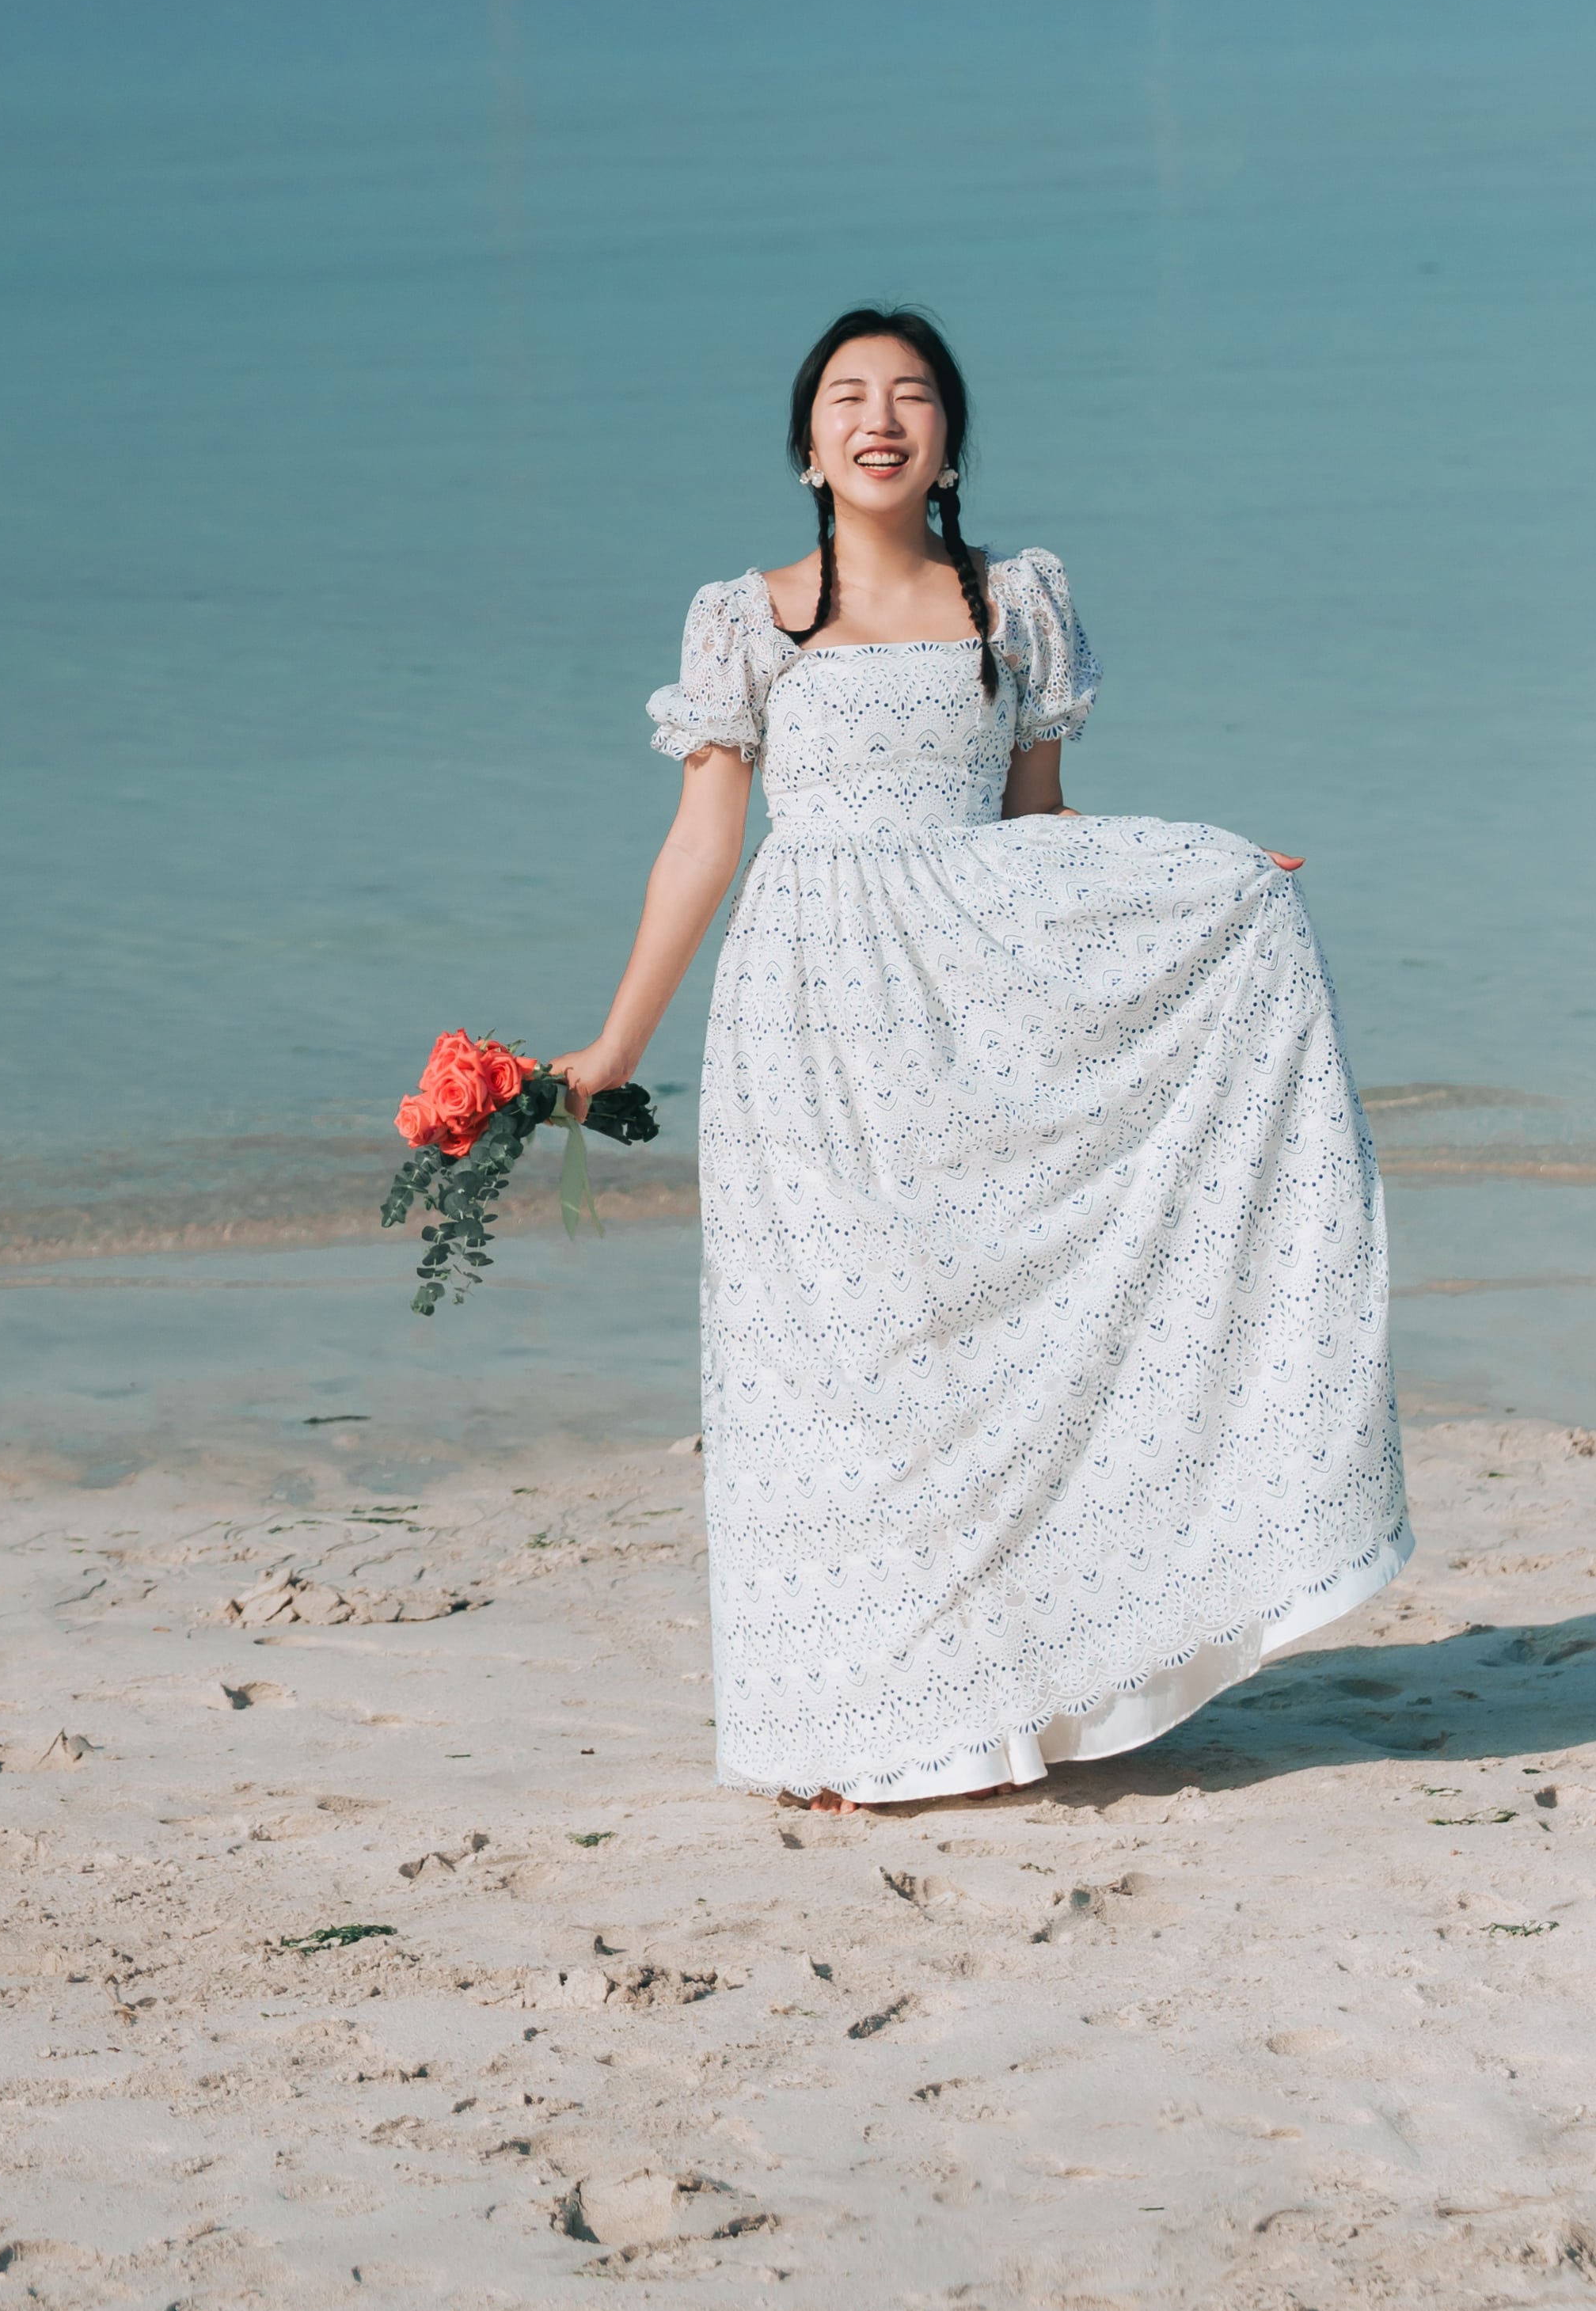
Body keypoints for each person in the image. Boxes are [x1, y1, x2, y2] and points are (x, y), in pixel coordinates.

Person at [556, 304, 1412, 1808]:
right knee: (839, 1367)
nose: (877, 418)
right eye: (845, 396)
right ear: (805, 442)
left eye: (909, 396)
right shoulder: (743, 619)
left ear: (947, 435)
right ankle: (852, 1722)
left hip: (979, 997)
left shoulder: (1013, 603)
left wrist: (1204, 874)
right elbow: (702, 845)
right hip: (807, 1017)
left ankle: (1010, 1701)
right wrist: (613, 1044)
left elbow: (1040, 823)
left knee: (980, 1352)